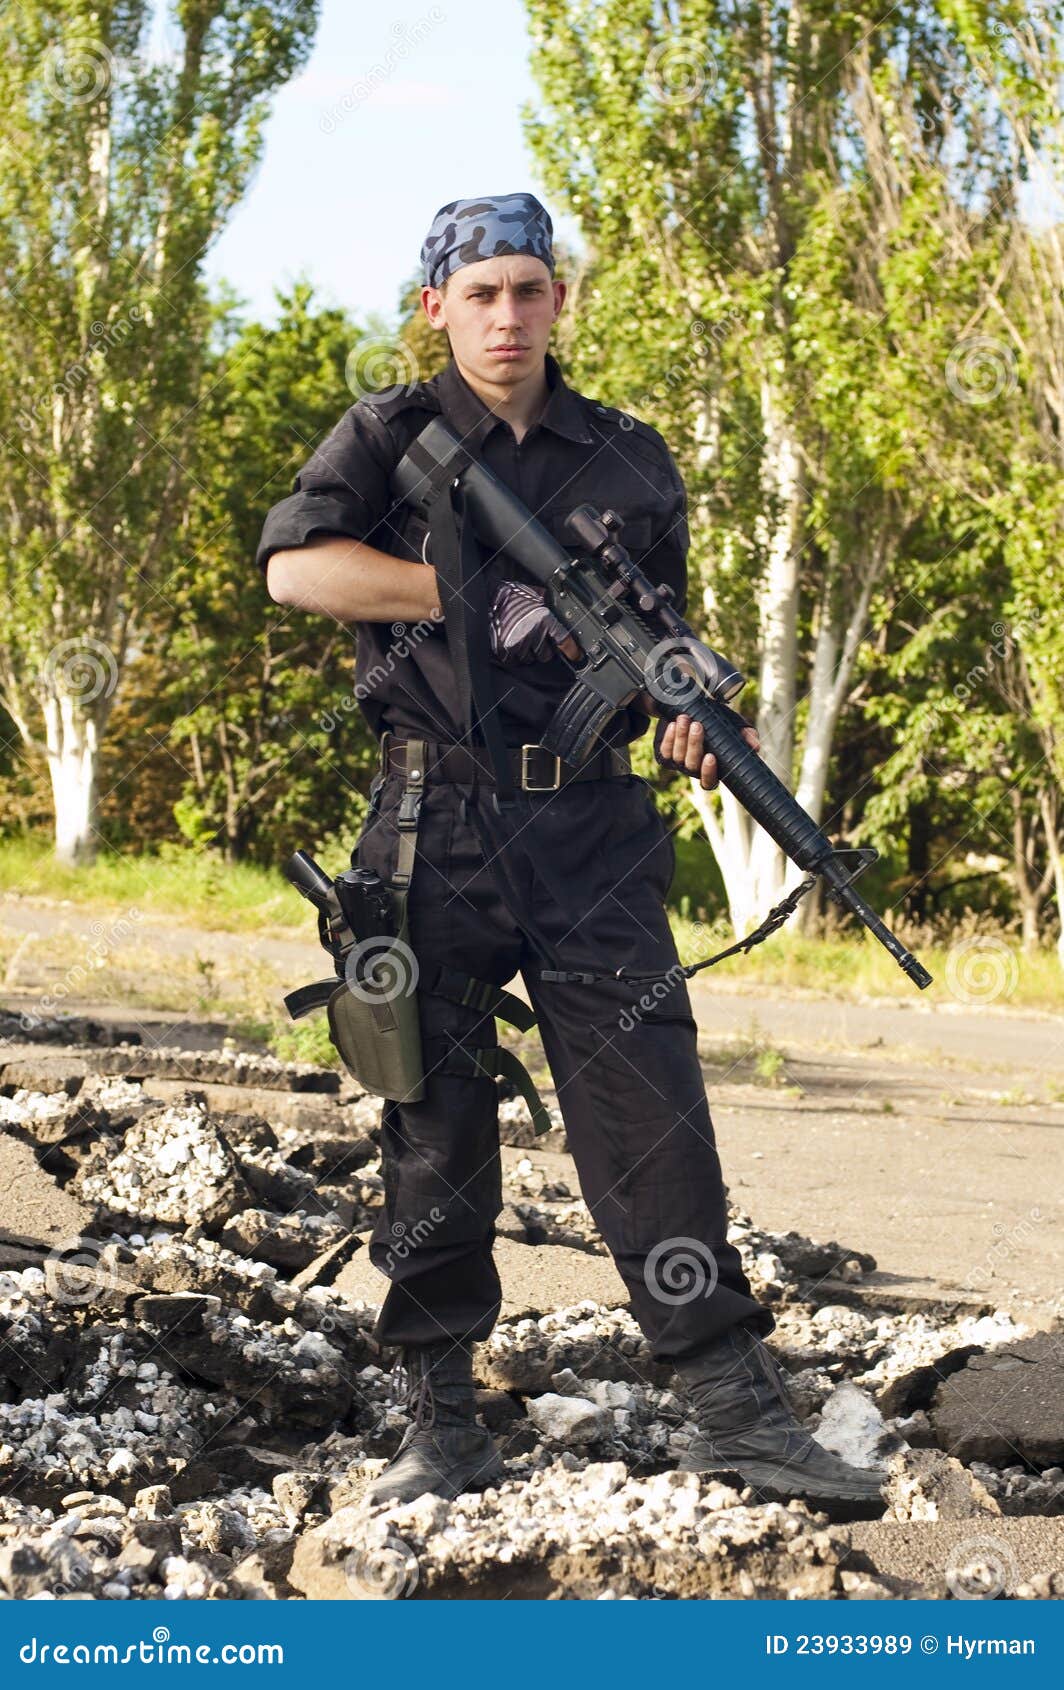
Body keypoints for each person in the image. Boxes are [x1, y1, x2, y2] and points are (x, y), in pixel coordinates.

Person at [257, 193, 883, 1510]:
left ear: (559, 302)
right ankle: (442, 1424)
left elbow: (659, 644)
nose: (506, 315)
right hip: (434, 823)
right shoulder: (391, 432)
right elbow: (298, 573)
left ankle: (727, 1405)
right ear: (437, 307)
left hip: (595, 830)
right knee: (434, 1118)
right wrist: (469, 595)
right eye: (479, 293)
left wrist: (690, 724)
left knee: (652, 1107)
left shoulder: (631, 457)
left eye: (528, 289)